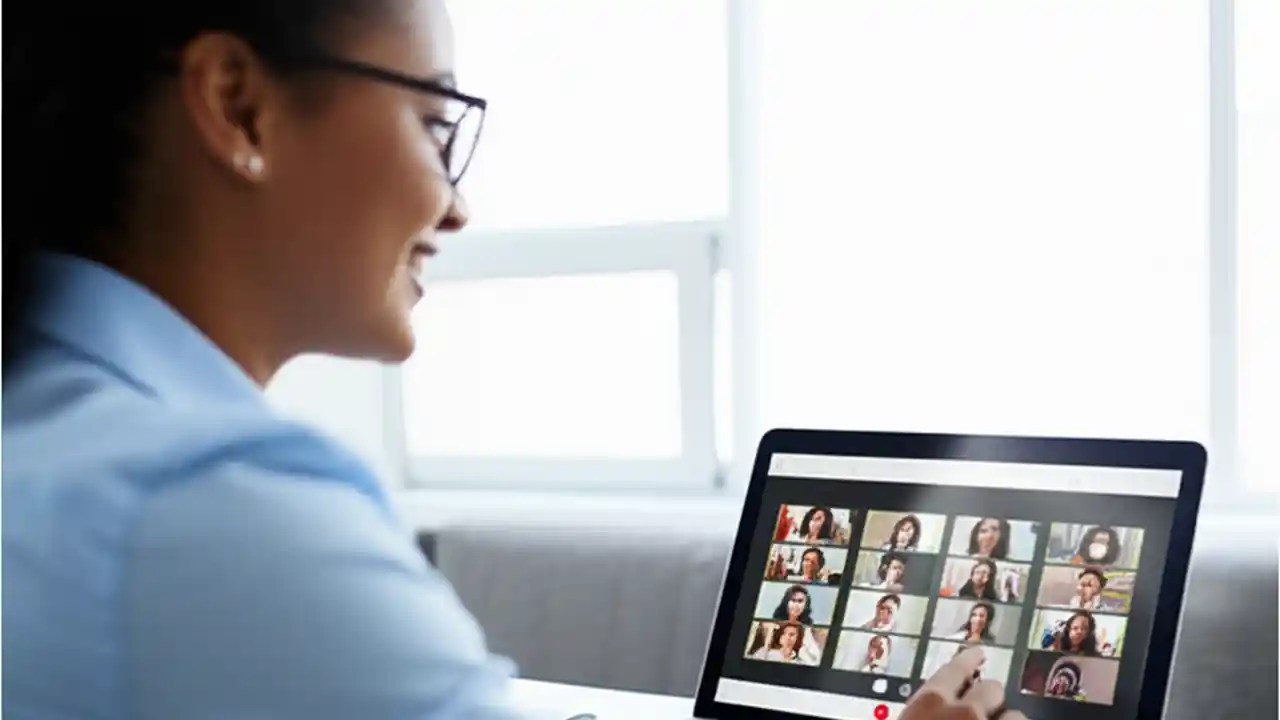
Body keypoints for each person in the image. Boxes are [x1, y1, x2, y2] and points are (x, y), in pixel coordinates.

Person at [2, 4, 1029, 718]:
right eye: (432, 122)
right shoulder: (213, 504)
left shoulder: (45, 437)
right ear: (237, 105)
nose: (457, 204)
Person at [770, 585, 823, 665]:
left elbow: (814, 657)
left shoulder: (808, 628)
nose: (796, 605)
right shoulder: (775, 622)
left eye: (800, 601)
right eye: (793, 600)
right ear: (786, 602)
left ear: (806, 605)